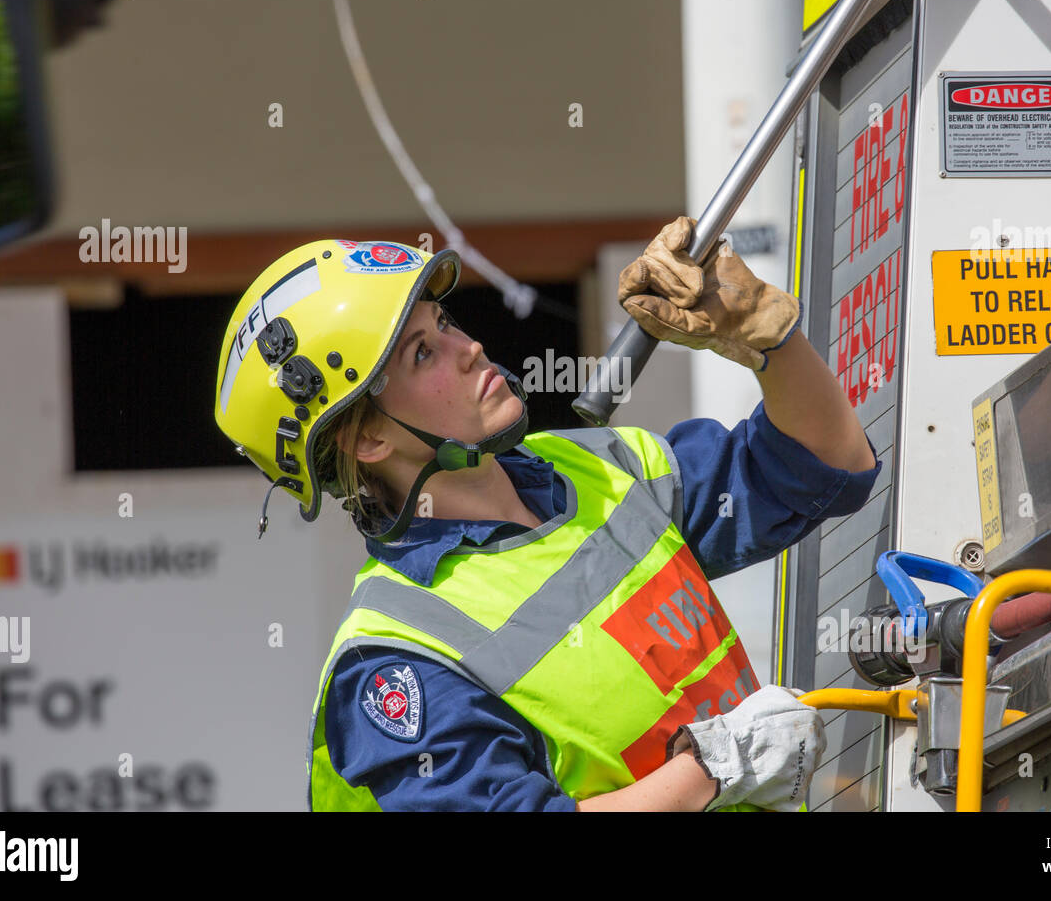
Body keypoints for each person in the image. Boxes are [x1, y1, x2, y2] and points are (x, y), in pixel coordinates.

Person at [213, 218, 881, 811]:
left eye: (442, 324)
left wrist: (765, 336)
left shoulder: (598, 468)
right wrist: (713, 770)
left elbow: (831, 466)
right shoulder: (397, 661)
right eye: (423, 354)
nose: (468, 346)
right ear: (368, 441)